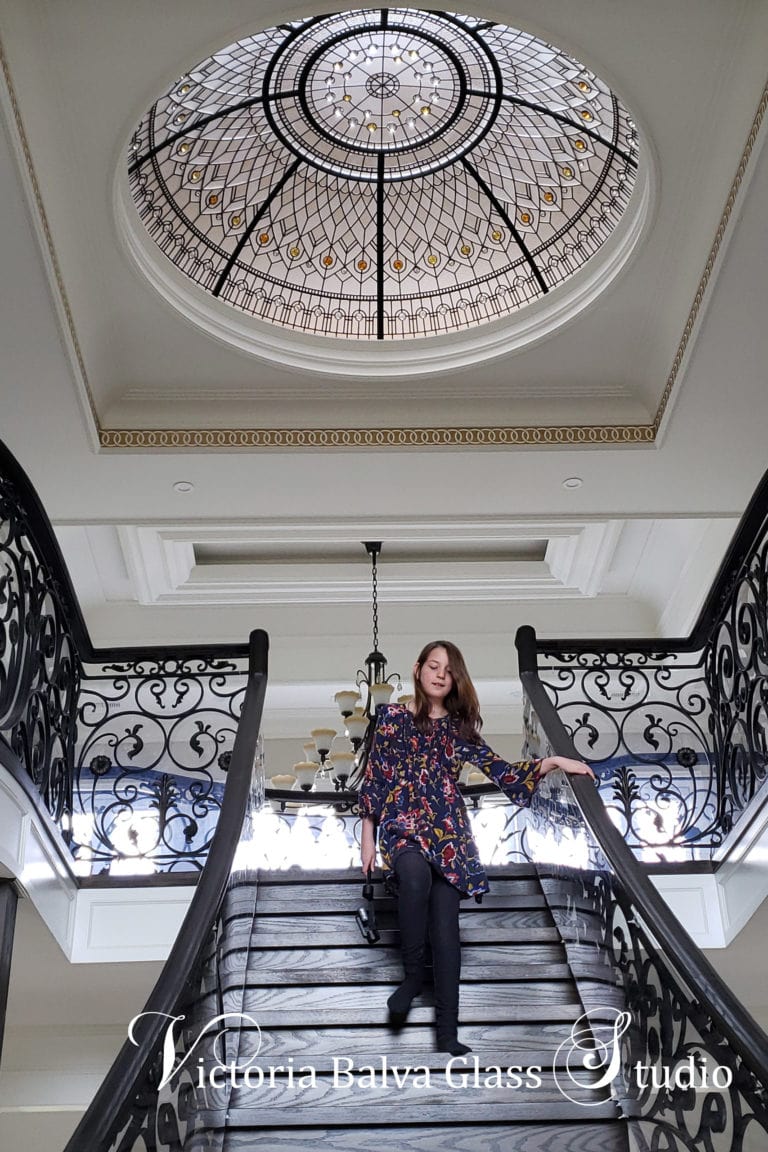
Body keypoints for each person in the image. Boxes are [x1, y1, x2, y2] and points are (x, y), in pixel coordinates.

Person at [359, 640, 595, 1057]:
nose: (439, 675)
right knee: (412, 878)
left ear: (455, 680)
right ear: (417, 669)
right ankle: (413, 979)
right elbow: (376, 779)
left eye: (448, 671)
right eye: (433, 666)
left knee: (447, 931)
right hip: (404, 825)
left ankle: (447, 1033)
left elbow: (503, 772)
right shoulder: (392, 718)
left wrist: (555, 762)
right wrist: (366, 839)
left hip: (451, 835)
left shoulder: (461, 730)